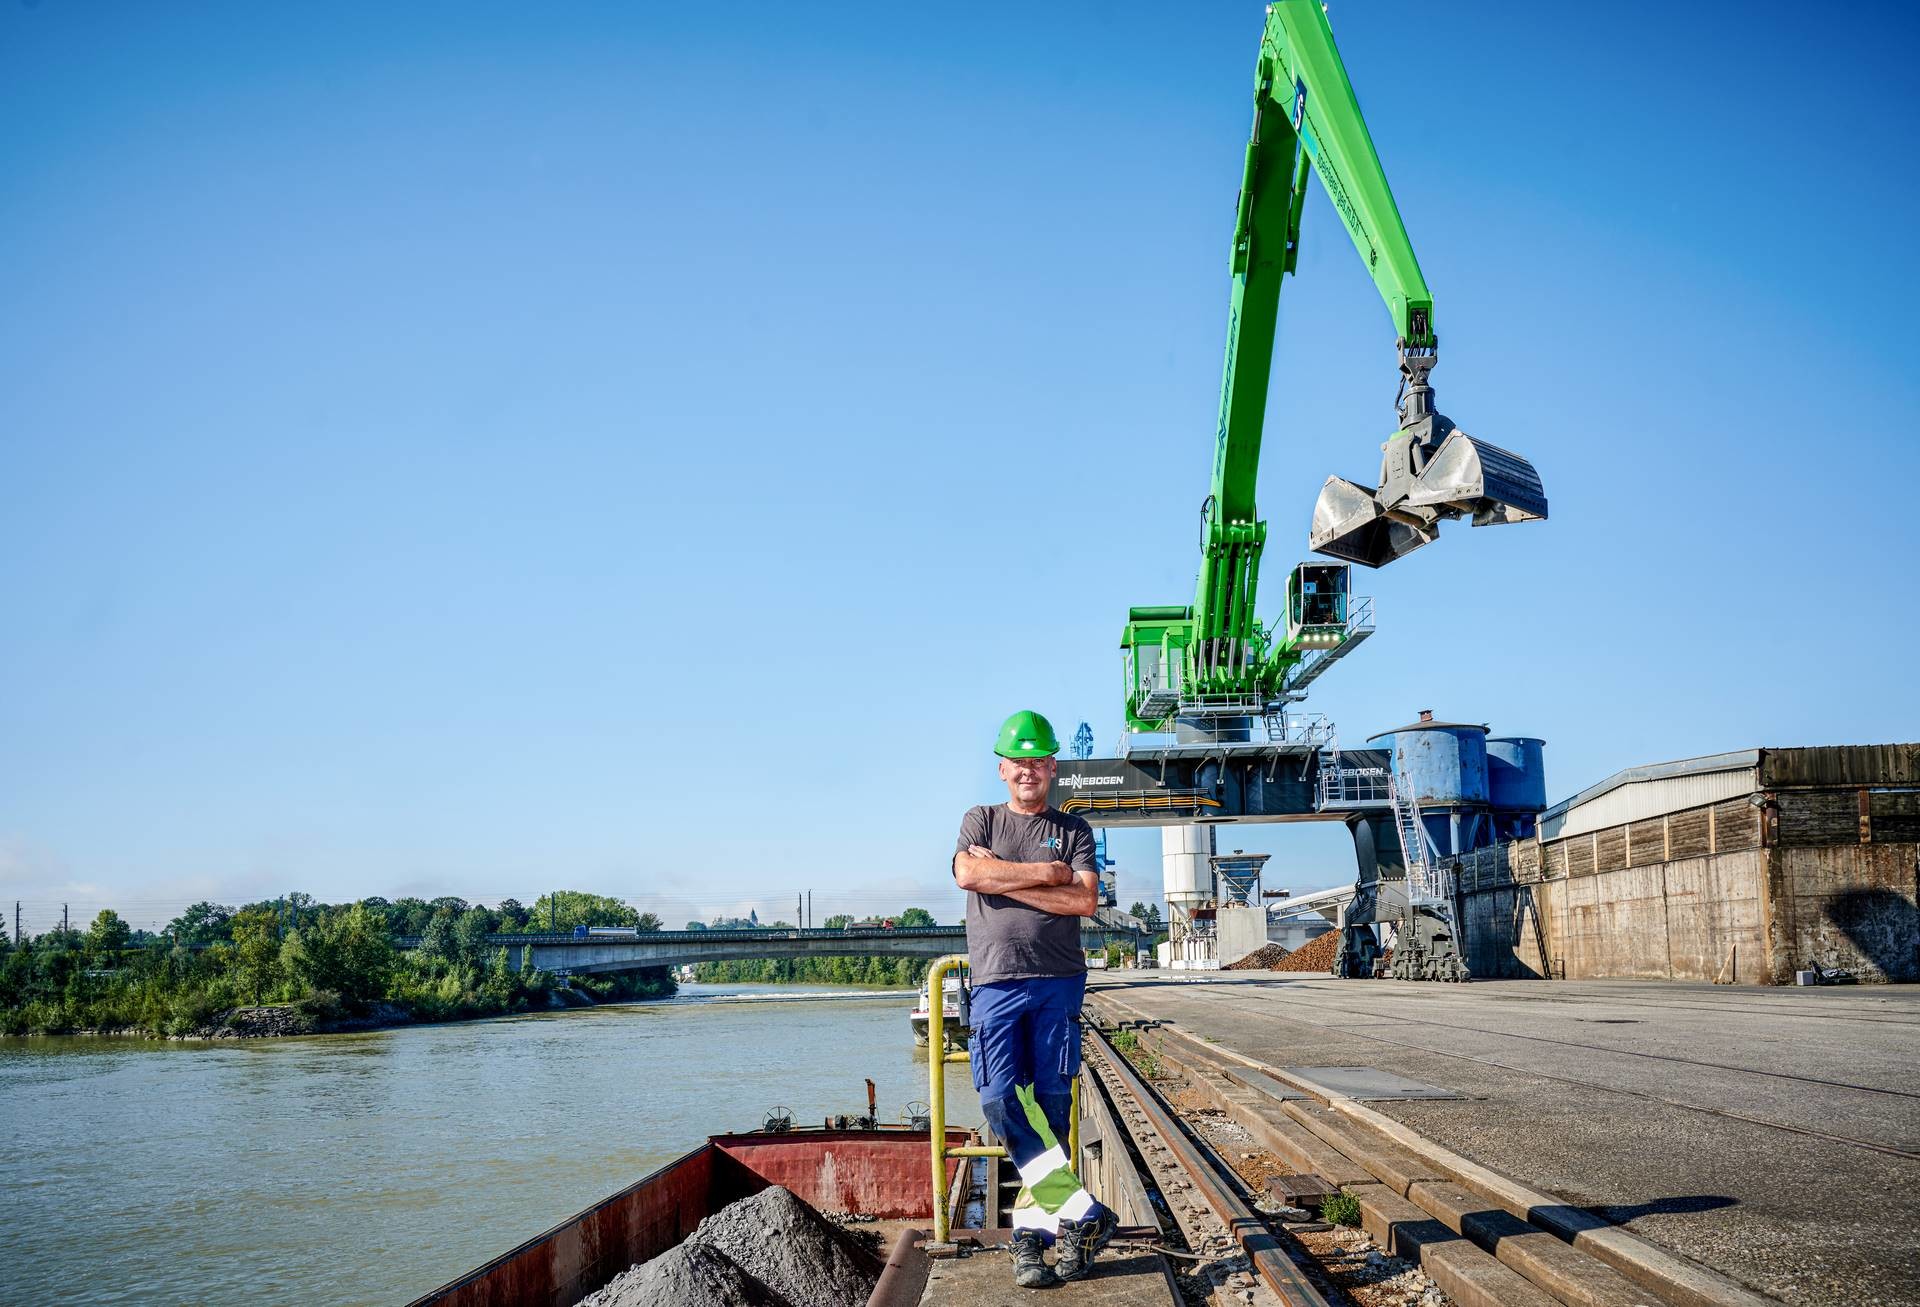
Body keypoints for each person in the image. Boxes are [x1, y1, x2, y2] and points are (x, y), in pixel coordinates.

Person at [951, 709, 1118, 1288]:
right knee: (998, 1099)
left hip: (1058, 981)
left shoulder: (1073, 831)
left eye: (1039, 761)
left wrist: (1014, 876)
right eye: (1019, 761)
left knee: (1050, 1113)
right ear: (1002, 768)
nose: (1029, 770)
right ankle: (1081, 1215)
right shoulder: (981, 819)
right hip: (996, 980)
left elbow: (1084, 903)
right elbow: (968, 876)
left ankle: (1032, 1245)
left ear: (1052, 768)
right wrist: (1046, 874)